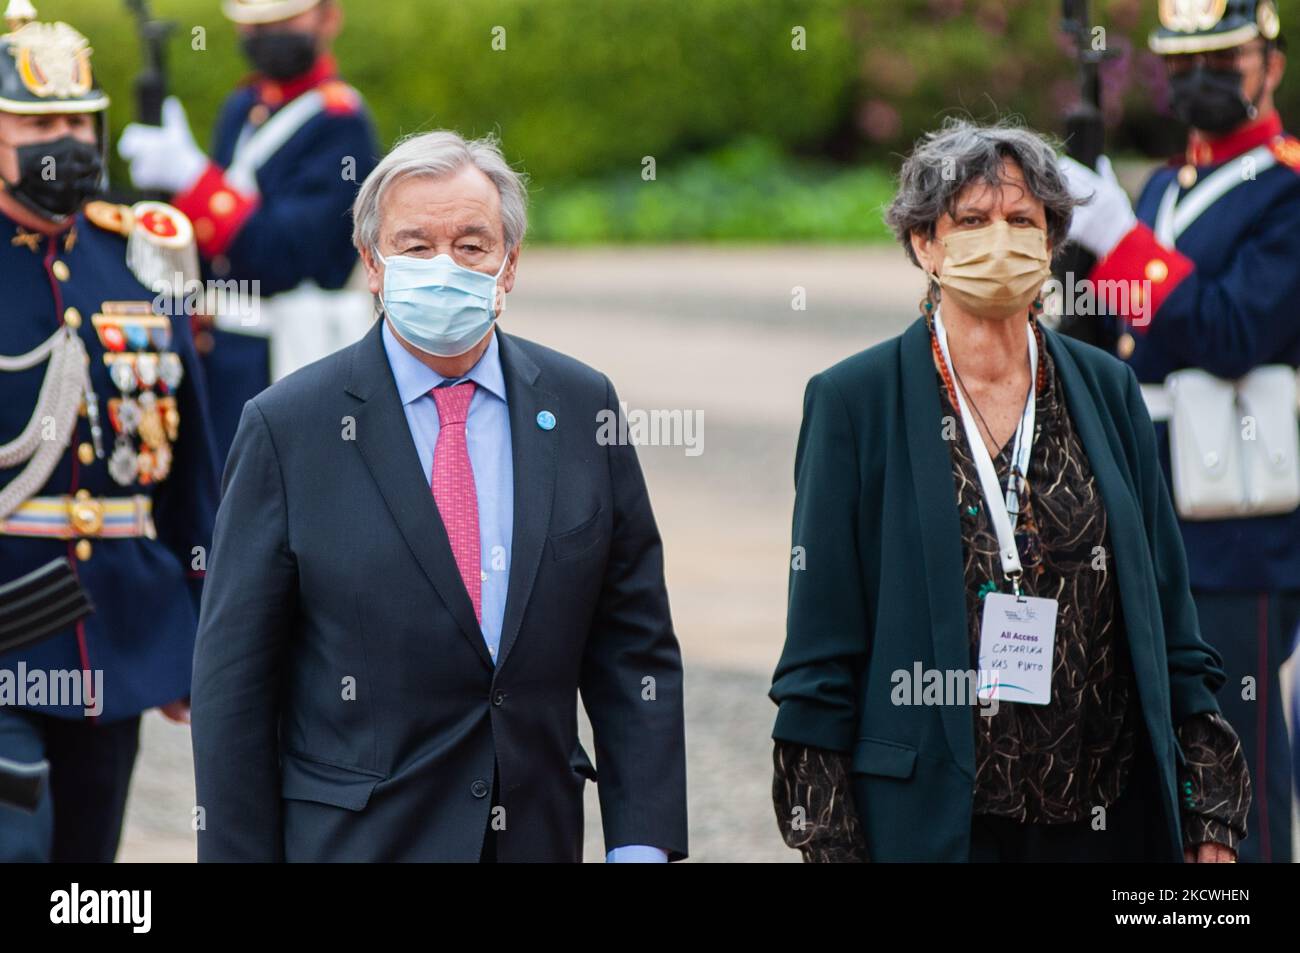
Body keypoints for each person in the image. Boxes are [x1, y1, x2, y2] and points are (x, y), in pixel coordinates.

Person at [190, 130, 688, 862]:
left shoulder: (584, 406)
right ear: (372, 263)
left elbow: (633, 643)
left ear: (510, 264)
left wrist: (641, 843)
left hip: (535, 836)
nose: (444, 267)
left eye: (471, 245)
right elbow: (234, 683)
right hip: (359, 841)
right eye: (415, 246)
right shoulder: (289, 427)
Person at [770, 118, 1250, 863]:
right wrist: (828, 836)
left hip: (1101, 814)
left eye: (1022, 220)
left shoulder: (1107, 388)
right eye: (971, 220)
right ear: (925, 244)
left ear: (1052, 243)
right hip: (937, 822)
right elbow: (819, 649)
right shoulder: (854, 402)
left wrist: (1208, 802)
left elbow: (1170, 618)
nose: (1001, 239)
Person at [1058, 0, 1299, 862]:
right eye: (1184, 64)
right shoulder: (1165, 187)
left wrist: (1120, 238)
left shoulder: (1287, 189)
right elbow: (1115, 342)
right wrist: (1079, 252)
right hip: (1147, 504)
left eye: (1223, 62)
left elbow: (1232, 331)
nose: (1201, 80)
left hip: (1237, 522)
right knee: (1148, 747)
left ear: (1270, 66)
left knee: (1237, 751)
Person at [0, 1, 218, 861]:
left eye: (79, 122)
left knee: (85, 866)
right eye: (38, 124)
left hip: (116, 625)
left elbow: (189, 461)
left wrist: (203, 626)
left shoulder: (142, 251)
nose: (67, 141)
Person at [118, 0, 380, 463]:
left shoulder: (341, 123)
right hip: (218, 347)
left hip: (284, 351)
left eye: (285, 20)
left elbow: (286, 255)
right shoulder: (244, 106)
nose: (270, 34)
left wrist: (194, 180)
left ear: (328, 17)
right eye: (258, 25)